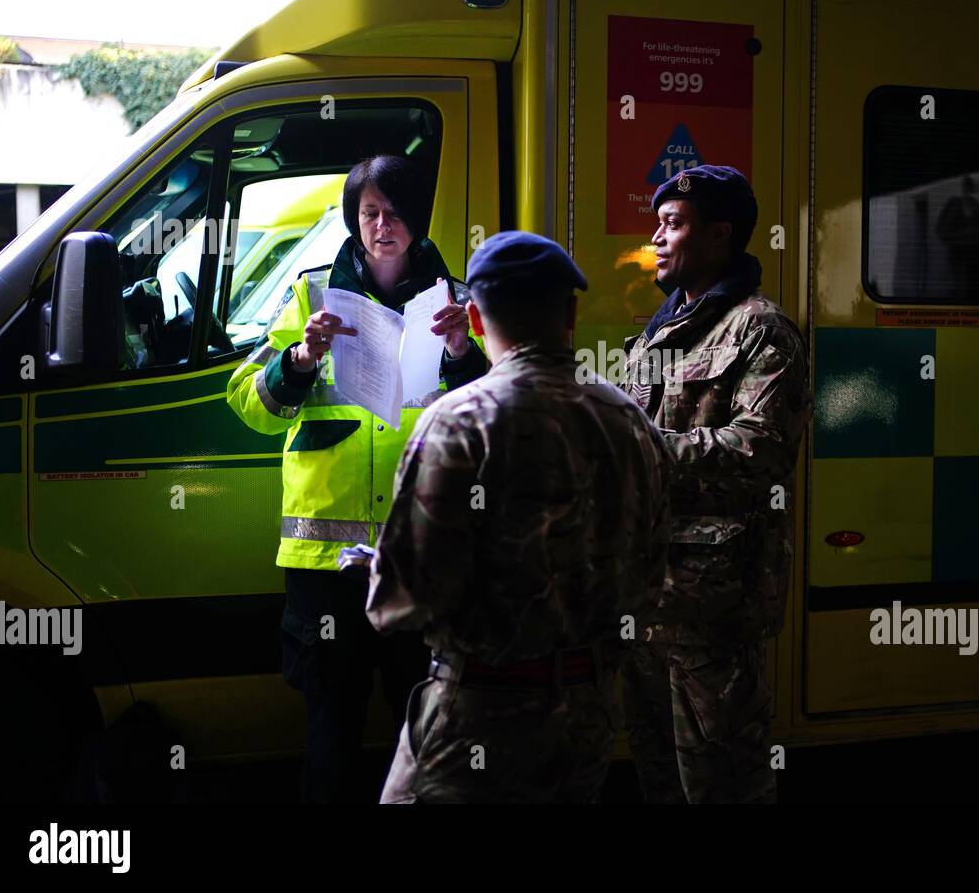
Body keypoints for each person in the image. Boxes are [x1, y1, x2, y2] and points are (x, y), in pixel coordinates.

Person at [365, 230, 671, 803]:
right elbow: (651, 575)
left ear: (475, 320)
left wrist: (377, 571)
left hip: (477, 715)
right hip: (586, 715)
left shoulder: (457, 421)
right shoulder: (629, 419)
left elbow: (398, 604)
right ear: (571, 312)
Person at [226, 154, 488, 802]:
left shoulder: (459, 303)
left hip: (421, 554)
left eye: (395, 213)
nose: (381, 226)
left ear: (418, 220)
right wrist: (302, 357)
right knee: (330, 738)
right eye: (369, 213)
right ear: (353, 220)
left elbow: (498, 418)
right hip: (327, 568)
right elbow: (250, 405)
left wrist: (461, 352)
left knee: (422, 736)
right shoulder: (308, 296)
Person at [619, 164, 811, 803]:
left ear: (720, 235)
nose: (658, 239)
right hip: (644, 600)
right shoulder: (659, 332)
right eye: (658, 224)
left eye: (674, 225)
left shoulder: (762, 329)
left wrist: (644, 448)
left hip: (712, 607)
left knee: (722, 781)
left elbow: (763, 449)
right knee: (657, 776)